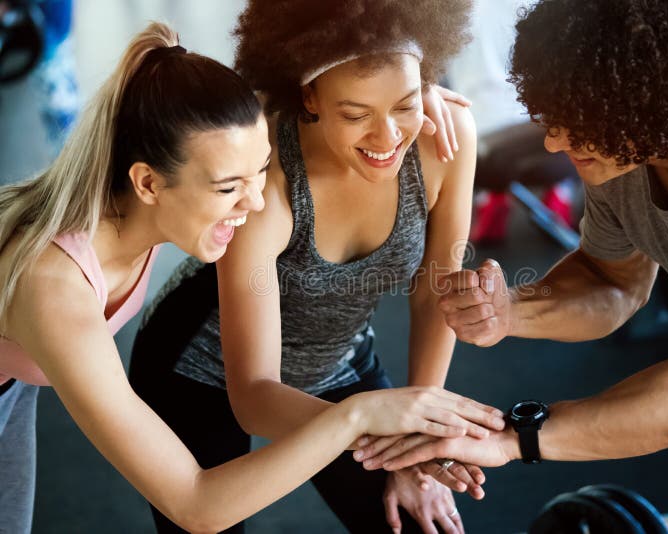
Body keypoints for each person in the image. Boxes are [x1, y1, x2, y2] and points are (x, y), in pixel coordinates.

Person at [0, 22, 503, 534]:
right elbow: (197, 504)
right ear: (148, 183)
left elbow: (251, 114)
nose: (256, 203)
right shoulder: (55, 287)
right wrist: (363, 420)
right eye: (228, 188)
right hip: (177, 371)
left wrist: (406, 94)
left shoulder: (140, 206)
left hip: (13, 382)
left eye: (259, 172)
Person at [354, 1, 668, 533]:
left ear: (654, 101)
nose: (553, 143)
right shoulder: (624, 144)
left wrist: (516, 437)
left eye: (577, 124)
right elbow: (610, 280)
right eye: (554, 118)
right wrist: (510, 311)